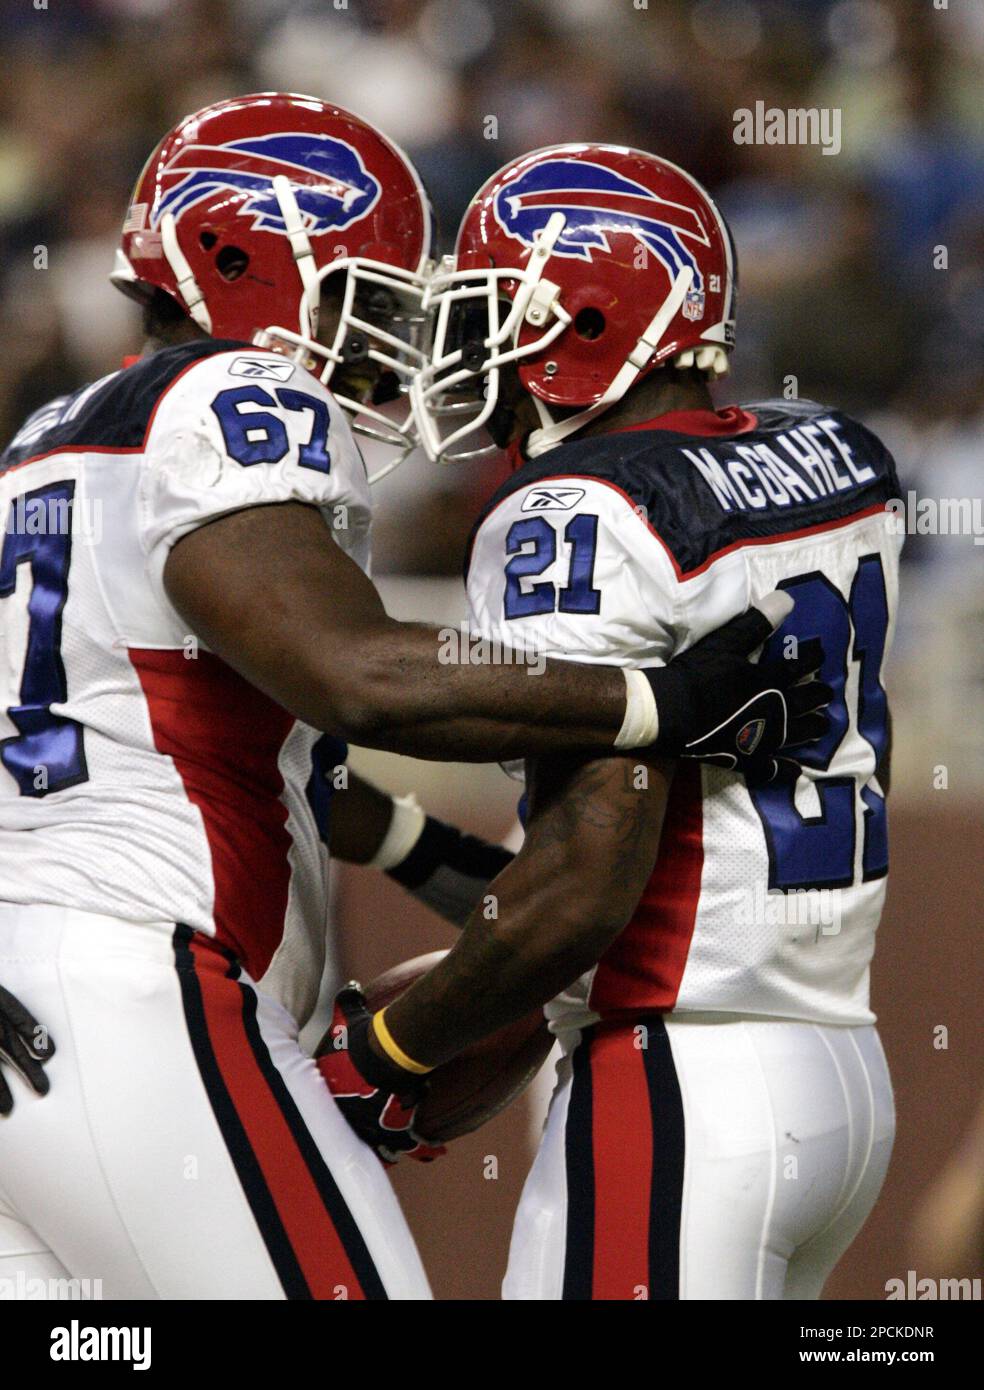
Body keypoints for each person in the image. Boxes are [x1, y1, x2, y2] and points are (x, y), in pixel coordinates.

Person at [0, 99, 819, 1300]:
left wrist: (429, 867)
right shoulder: (236, 393)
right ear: (236, 258)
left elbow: (241, 752)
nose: (383, 336)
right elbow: (358, 674)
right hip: (139, 988)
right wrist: (654, 699)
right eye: (355, 292)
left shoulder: (44, 438)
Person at [323, 143, 898, 1300]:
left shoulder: (580, 511)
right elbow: (638, 843)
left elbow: (584, 890)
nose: (478, 350)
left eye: (501, 313)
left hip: (680, 1081)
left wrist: (384, 1058)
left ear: (591, 317)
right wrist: (389, 835)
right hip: (837, 1068)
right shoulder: (836, 453)